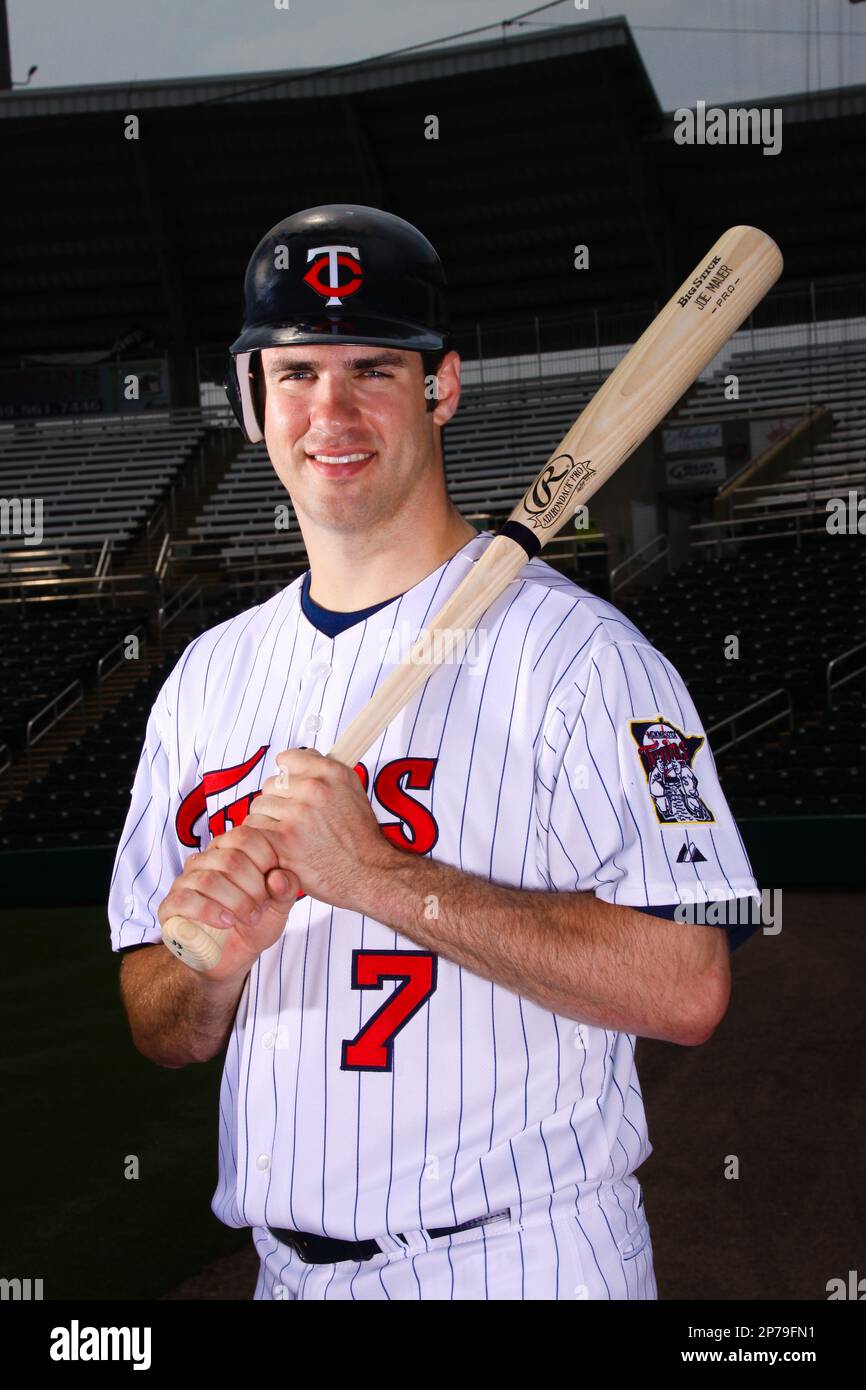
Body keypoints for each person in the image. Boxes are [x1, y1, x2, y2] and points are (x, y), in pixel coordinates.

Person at [109, 204, 760, 1301]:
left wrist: (378, 877)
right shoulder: (205, 680)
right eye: (296, 372)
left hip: (517, 1262)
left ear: (440, 387)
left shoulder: (586, 659)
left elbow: (687, 984)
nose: (331, 409)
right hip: (286, 1276)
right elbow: (157, 1019)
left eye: (373, 366)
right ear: (252, 398)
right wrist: (205, 970)